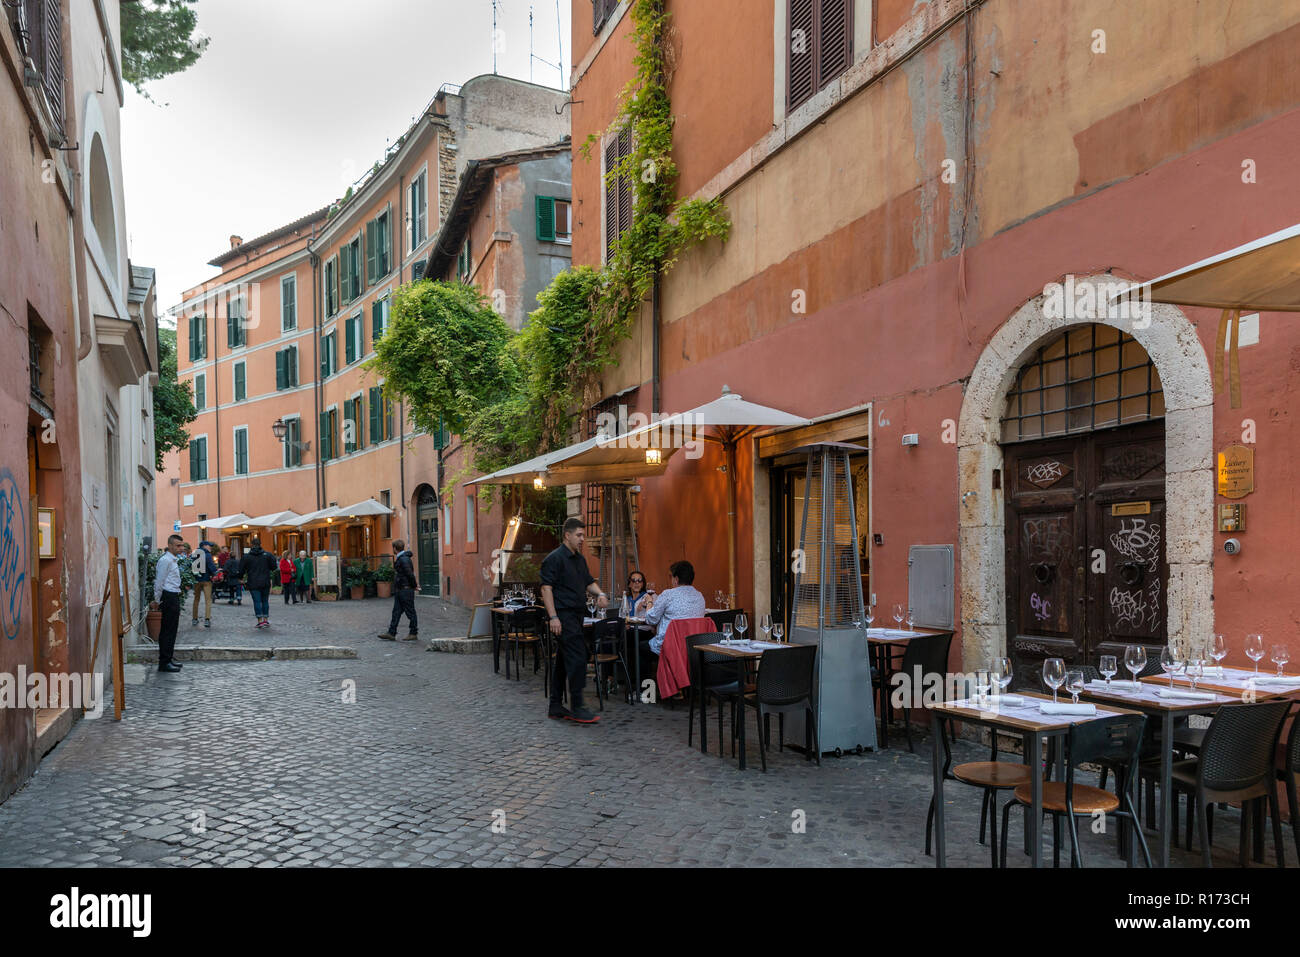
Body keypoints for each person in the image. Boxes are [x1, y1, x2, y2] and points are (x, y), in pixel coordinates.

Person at [541, 517, 608, 724]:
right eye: (578, 535)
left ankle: (555, 705)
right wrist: (553, 617)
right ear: (567, 535)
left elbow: (588, 582)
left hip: (578, 616)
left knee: (563, 660)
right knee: (579, 656)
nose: (582, 539)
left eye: (583, 535)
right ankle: (577, 706)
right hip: (563, 615)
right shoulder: (554, 559)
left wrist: (601, 594)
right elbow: (546, 588)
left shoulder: (579, 559)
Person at [643, 560, 706, 656]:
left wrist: (649, 601)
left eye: (670, 577)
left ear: (676, 579)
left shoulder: (668, 594)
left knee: (639, 647)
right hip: (692, 646)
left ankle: (658, 671)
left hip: (669, 646)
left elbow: (651, 619)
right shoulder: (699, 596)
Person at [150, 535, 186, 673]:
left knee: (172, 629)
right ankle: (164, 662)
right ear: (170, 545)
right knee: (167, 630)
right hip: (168, 596)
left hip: (173, 595)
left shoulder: (173, 560)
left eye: (182, 545)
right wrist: (157, 600)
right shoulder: (165, 560)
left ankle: (168, 658)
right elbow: (159, 582)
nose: (181, 548)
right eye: (178, 545)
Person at [378, 541, 418, 641]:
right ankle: (391, 633)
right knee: (396, 612)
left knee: (410, 612)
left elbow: (410, 574)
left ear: (395, 548)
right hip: (401, 590)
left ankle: (413, 633)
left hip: (405, 590)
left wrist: (414, 586)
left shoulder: (403, 559)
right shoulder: (402, 558)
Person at [237, 536, 279, 628]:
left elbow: (241, 570)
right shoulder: (267, 555)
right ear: (260, 545)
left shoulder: (247, 557)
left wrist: (240, 578)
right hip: (265, 581)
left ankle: (259, 621)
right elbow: (274, 567)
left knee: (257, 601)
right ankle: (266, 620)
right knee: (265, 601)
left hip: (253, 582)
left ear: (251, 545)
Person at [189, 540, 217, 628]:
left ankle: (194, 619)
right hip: (206, 580)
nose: (210, 547)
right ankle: (207, 620)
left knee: (196, 599)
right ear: (204, 546)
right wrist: (215, 573)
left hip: (196, 580)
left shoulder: (194, 553)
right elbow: (211, 567)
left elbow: (190, 565)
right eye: (209, 546)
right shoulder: (207, 555)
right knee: (208, 600)